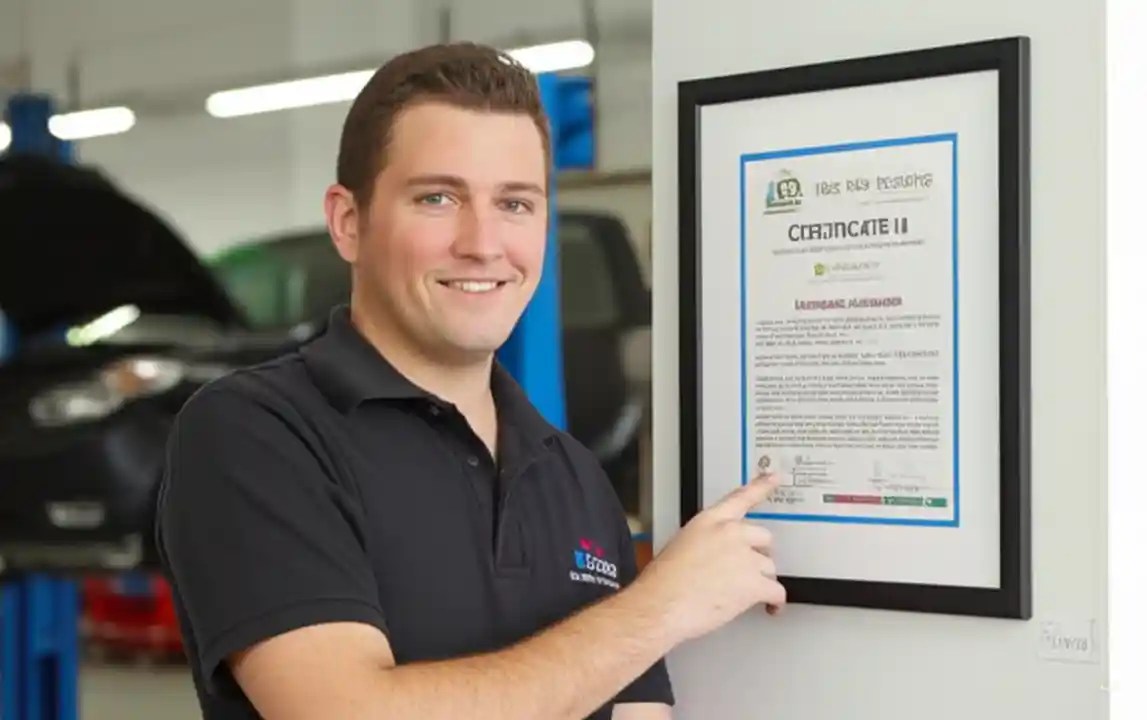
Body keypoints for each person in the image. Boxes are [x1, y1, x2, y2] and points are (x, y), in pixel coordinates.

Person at [155, 41, 786, 720]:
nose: (483, 243)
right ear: (348, 221)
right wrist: (659, 609)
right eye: (437, 198)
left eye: (515, 204)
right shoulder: (256, 434)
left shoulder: (571, 474)